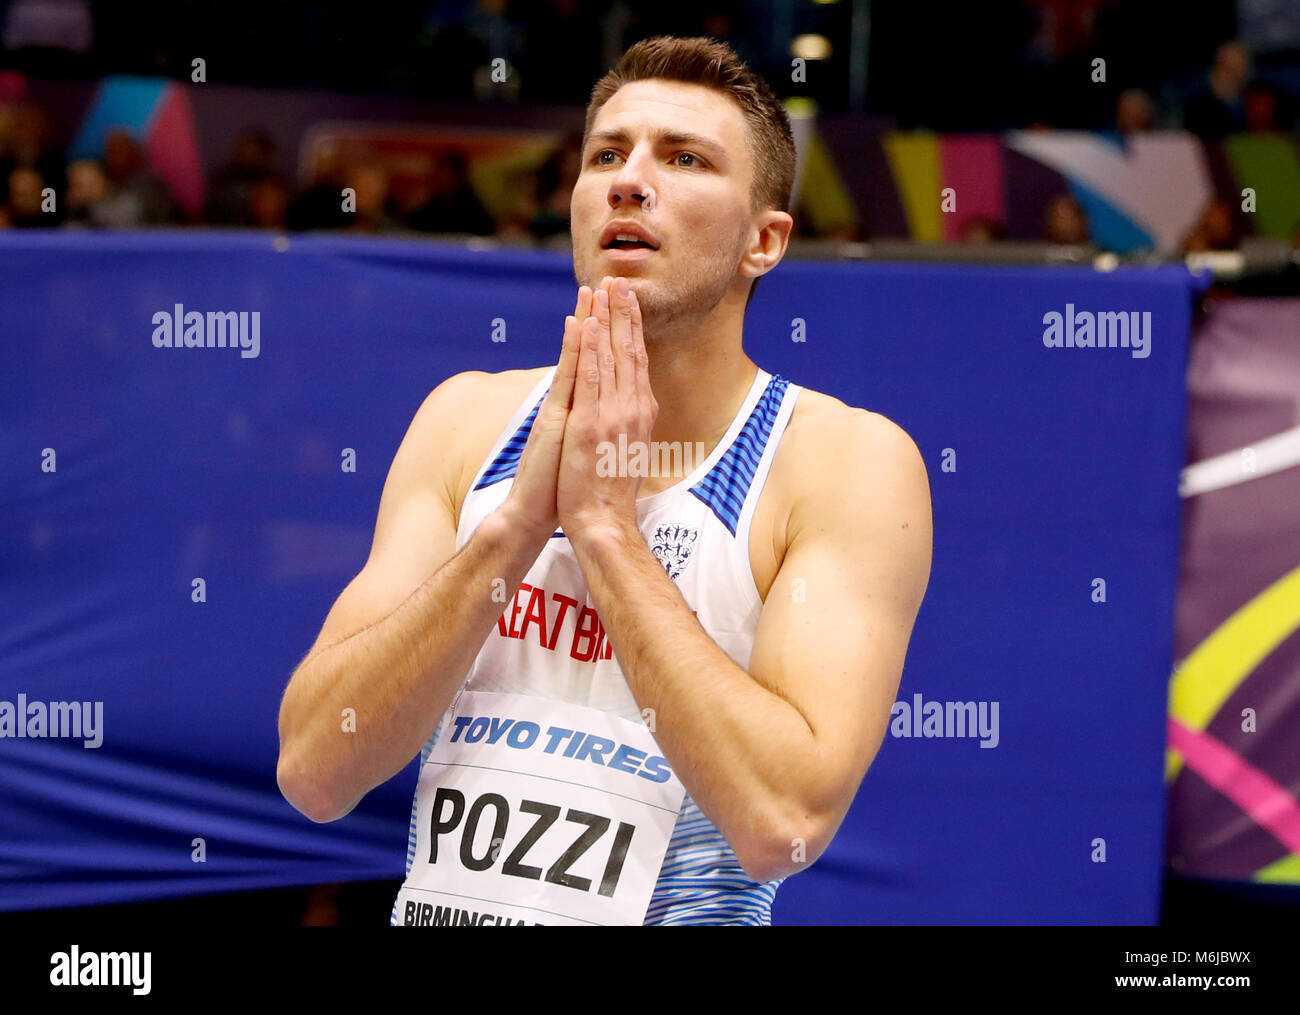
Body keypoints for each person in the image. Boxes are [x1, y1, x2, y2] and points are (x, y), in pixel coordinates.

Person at [276, 35, 933, 926]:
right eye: (606, 155)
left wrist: (606, 529)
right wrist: (512, 531)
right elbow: (316, 769)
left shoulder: (840, 462)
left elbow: (782, 824)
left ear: (763, 240)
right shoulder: (468, 420)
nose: (630, 179)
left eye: (685, 158)